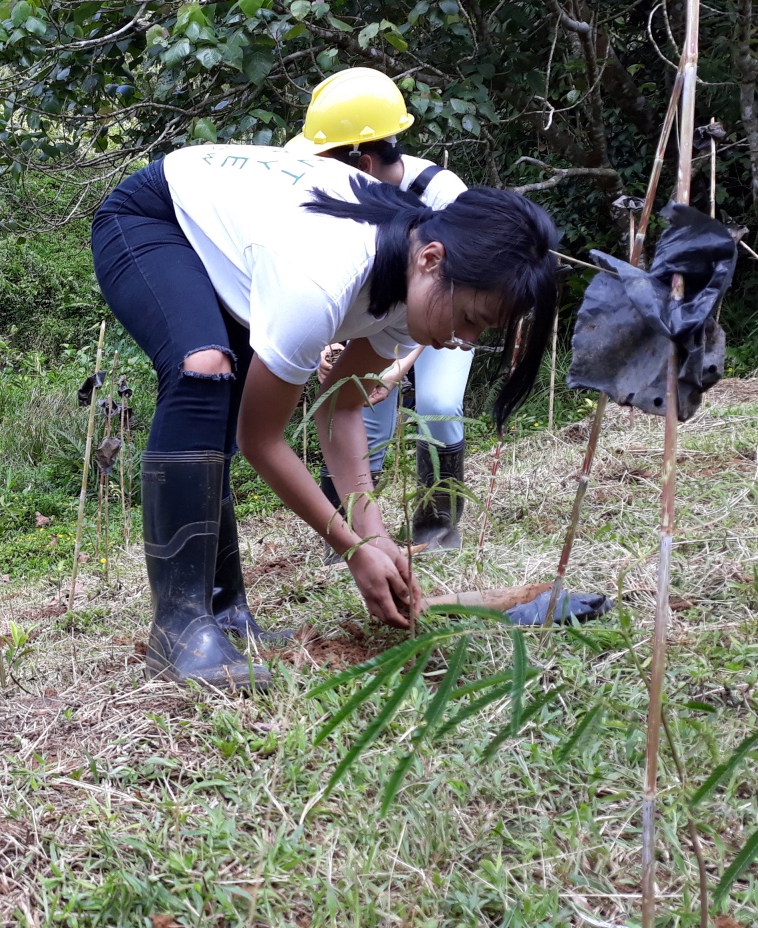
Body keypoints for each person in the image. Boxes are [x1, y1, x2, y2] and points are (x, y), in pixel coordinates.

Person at [90, 143, 557, 690]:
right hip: (154, 217)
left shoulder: (413, 292)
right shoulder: (322, 277)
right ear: (432, 260)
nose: (466, 341)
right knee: (206, 368)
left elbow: (342, 403)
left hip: (242, 243)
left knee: (221, 400)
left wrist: (375, 535)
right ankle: (180, 630)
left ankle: (227, 612)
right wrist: (352, 548)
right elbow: (261, 438)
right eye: (471, 319)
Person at [286, 67, 476, 551]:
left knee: (437, 406)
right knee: (362, 410)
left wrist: (395, 367)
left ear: (363, 162)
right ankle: (351, 538)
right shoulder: (345, 196)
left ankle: (437, 527)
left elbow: (454, 297)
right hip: (378, 320)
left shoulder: (442, 194)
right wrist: (332, 341)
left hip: (448, 319)